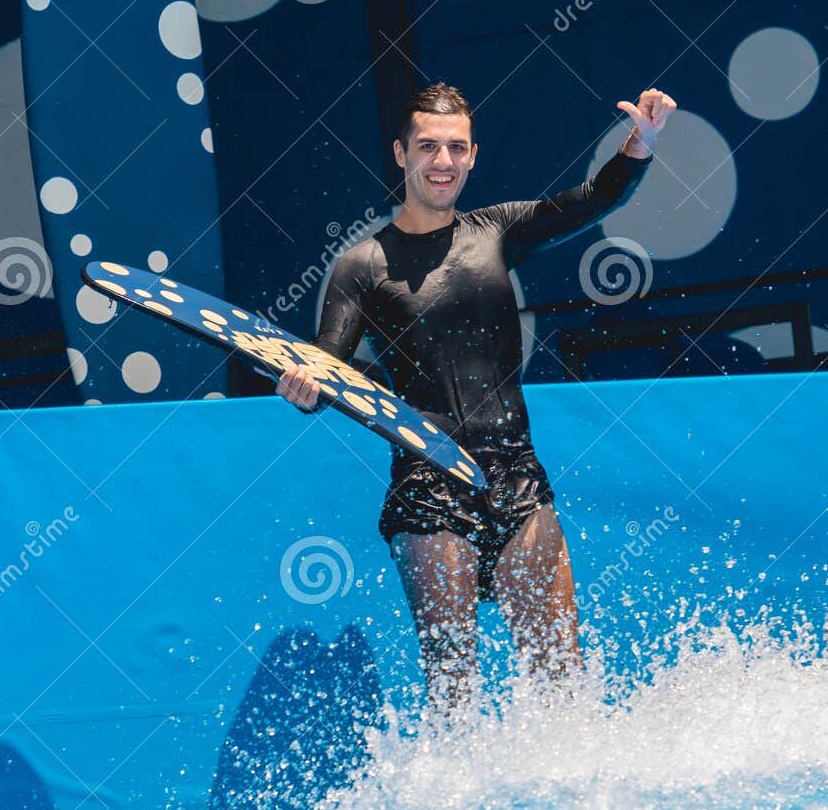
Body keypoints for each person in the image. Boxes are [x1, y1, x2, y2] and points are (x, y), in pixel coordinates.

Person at [277, 82, 674, 714]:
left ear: (473, 155)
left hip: (516, 476)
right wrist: (305, 389)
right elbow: (330, 365)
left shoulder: (498, 231)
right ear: (401, 154)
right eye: (428, 146)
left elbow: (593, 199)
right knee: (453, 683)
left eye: (455, 147)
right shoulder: (362, 265)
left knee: (561, 677)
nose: (442, 160)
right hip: (427, 480)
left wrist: (642, 141)